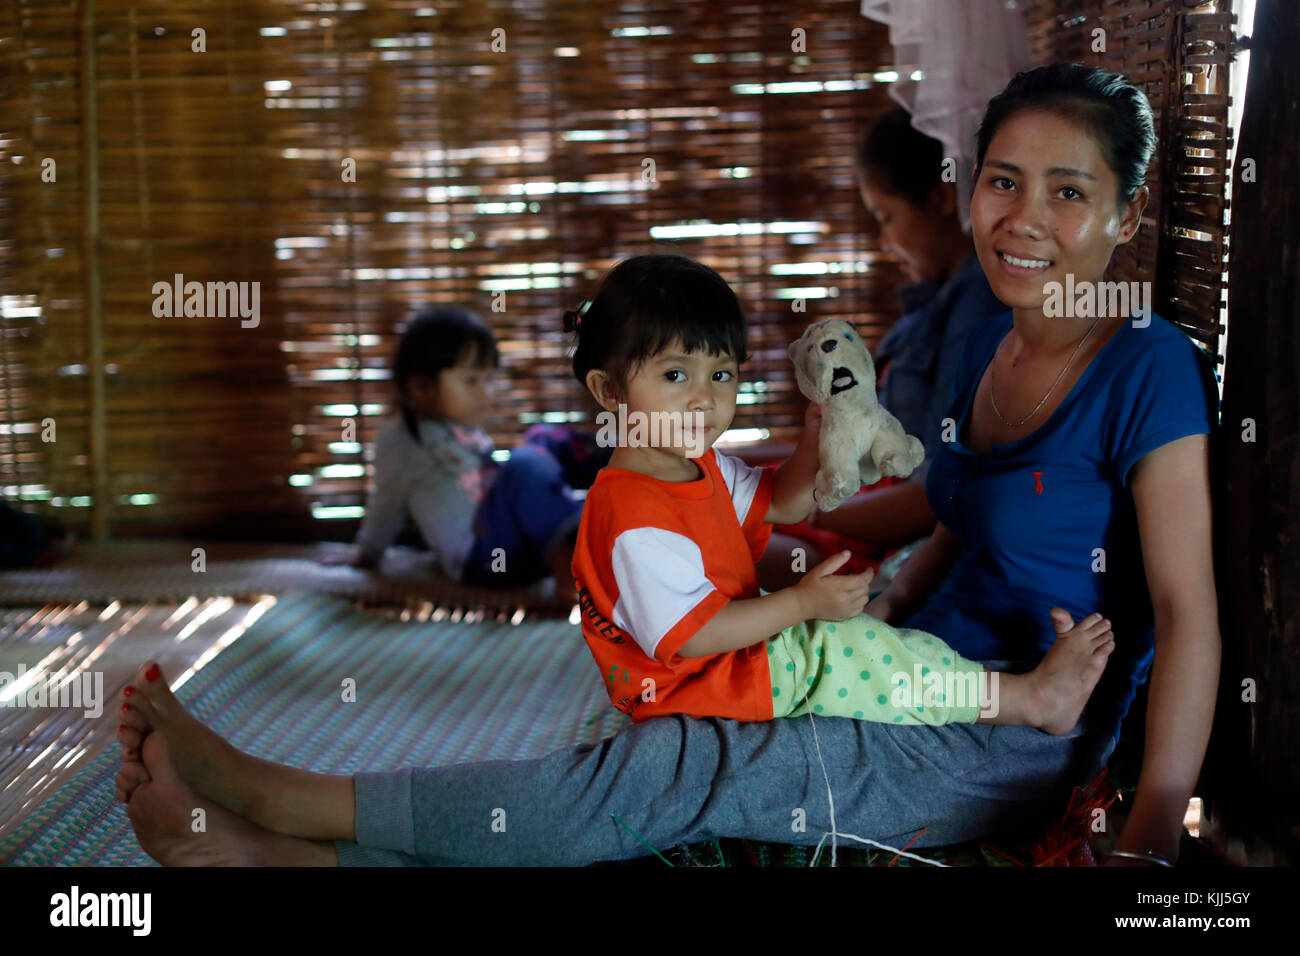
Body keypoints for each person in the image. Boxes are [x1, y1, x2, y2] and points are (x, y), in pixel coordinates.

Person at [113, 63, 1220, 868]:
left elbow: (1186, 611)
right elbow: (926, 504)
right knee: (663, 780)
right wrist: (786, 512)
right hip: (895, 664)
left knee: (676, 772)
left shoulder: (1147, 368)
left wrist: (1146, 845)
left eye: (1068, 191)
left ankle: (284, 802)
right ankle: (289, 864)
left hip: (1003, 730)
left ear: (1123, 216)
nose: (1023, 218)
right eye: (1003, 181)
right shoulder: (994, 346)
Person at [567, 254, 1114, 731]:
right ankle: (1032, 701)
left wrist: (817, 439)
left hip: (727, 661)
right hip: (700, 685)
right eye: (675, 375)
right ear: (609, 390)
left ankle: (943, 670)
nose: (705, 400)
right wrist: (801, 603)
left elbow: (783, 501)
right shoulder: (630, 515)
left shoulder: (694, 466)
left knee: (879, 648)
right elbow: (693, 637)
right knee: (881, 669)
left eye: (723, 375)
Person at [757, 108, 1006, 590]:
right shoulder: (935, 303)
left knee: (709, 541)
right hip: (852, 503)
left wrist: (806, 511)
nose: (885, 241)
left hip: (876, 535)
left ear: (937, 199)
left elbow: (932, 494)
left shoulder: (978, 306)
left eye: (886, 217)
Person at [319, 306, 609, 600]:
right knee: (526, 463)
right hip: (484, 558)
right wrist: (367, 554)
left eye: (489, 379)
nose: (486, 391)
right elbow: (386, 501)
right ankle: (570, 560)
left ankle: (623, 461)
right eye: (471, 381)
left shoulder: (461, 427)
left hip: (522, 544)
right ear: (421, 386)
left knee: (543, 437)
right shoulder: (401, 438)